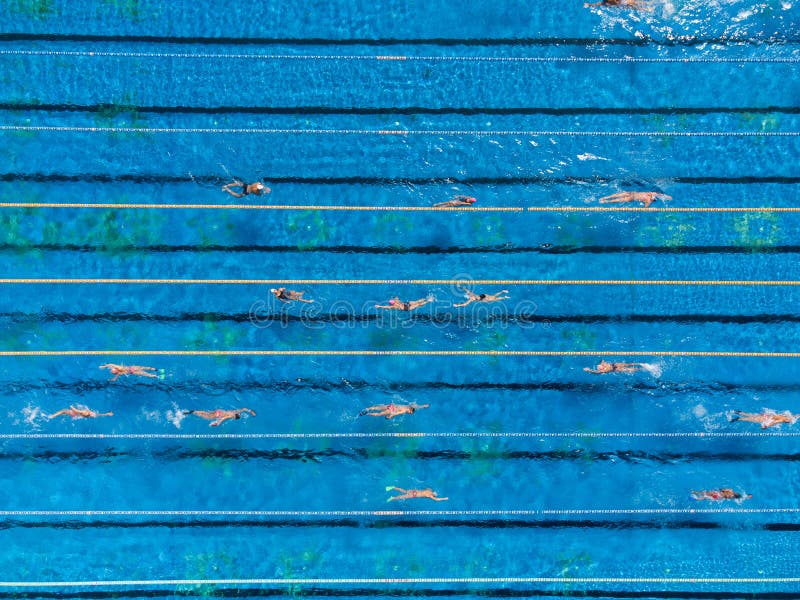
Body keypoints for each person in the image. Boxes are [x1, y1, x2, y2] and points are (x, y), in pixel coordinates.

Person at [183, 408, 256, 427]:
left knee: (205, 412)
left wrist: (250, 411)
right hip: (218, 415)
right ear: (234, 418)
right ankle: (190, 413)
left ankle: (190, 412)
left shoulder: (234, 411)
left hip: (219, 411)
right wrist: (218, 423)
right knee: (205, 416)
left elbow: (243, 409)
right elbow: (223, 418)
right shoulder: (231, 416)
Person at [730, 409, 799, 429]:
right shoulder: (783, 420)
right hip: (764, 420)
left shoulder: (787, 415)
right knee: (749, 419)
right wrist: (766, 426)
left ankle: (738, 412)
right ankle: (738, 419)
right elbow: (775, 422)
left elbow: (797, 416)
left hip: (767, 415)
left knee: (751, 415)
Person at [598, 191, 672, 208]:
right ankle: (605, 199)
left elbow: (644, 208)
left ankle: (605, 200)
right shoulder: (650, 196)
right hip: (631, 195)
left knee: (618, 198)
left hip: (632, 195)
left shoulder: (649, 198)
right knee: (618, 197)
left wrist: (645, 207)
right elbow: (659, 194)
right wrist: (667, 197)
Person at [359, 402, 430, 419]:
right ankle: (366, 414)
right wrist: (390, 416)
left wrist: (424, 406)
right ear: (409, 410)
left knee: (376, 408)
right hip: (391, 410)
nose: (408, 413)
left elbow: (417, 406)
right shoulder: (404, 410)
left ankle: (367, 409)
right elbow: (397, 413)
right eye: (409, 413)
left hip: (391, 405)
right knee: (378, 415)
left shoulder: (409, 406)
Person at [49, 405, 113, 419]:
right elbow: (99, 415)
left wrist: (71, 407)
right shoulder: (92, 414)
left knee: (63, 411)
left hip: (74, 414)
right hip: (77, 416)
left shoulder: (84, 412)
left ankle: (52, 416)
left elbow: (76, 411)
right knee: (65, 413)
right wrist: (107, 414)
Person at [584, 0, 651, 8]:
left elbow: (598, 4)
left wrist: (589, 5)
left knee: (636, 7)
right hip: (624, 3)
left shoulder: (605, 2)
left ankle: (648, 8)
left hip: (623, 4)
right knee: (636, 5)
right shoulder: (605, 2)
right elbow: (598, 4)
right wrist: (589, 5)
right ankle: (648, 5)